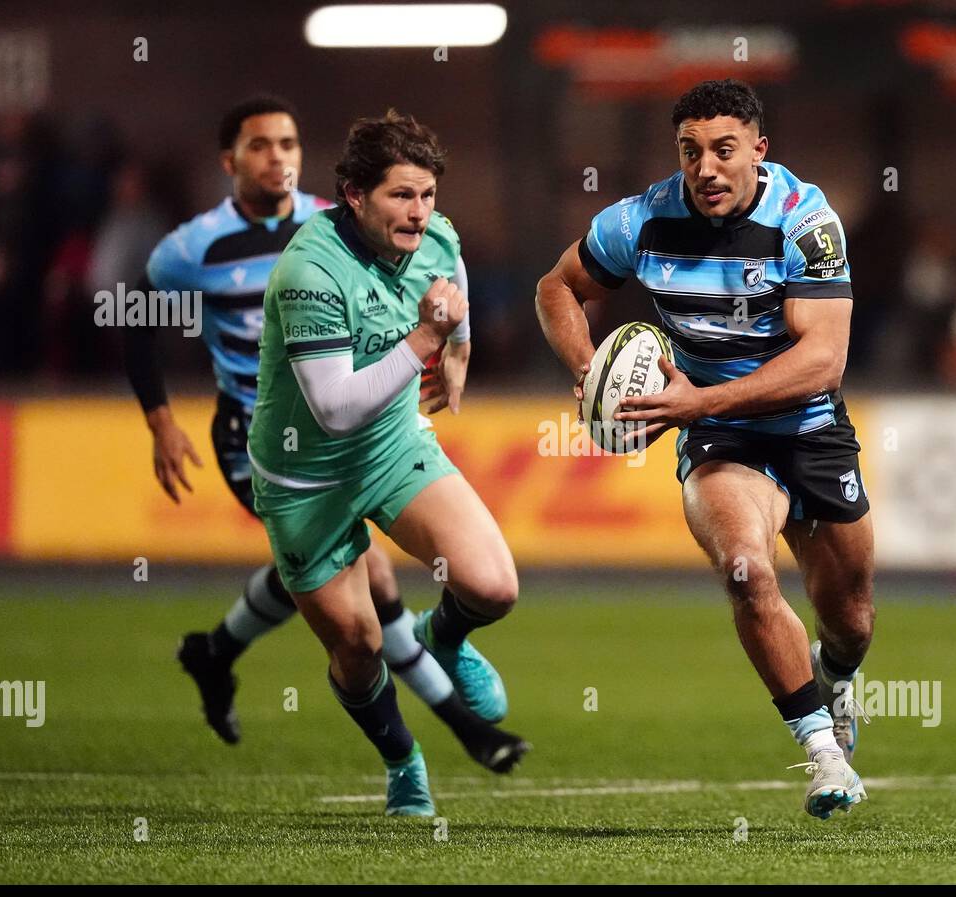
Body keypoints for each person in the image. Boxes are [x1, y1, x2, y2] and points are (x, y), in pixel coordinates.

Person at [123, 97, 505, 768]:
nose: (279, 157)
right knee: (369, 595)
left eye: (289, 143)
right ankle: (445, 738)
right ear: (229, 161)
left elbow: (445, 254)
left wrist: (459, 347)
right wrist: (160, 419)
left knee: (362, 587)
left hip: (376, 430)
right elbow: (135, 318)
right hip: (269, 439)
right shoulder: (197, 248)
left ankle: (217, 651)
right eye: (262, 145)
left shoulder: (355, 216)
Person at [535, 80, 874, 820]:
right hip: (720, 437)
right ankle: (823, 755)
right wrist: (587, 368)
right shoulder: (641, 220)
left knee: (851, 619)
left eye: (724, 150)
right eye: (691, 152)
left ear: (759, 149)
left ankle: (837, 675)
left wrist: (698, 400)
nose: (707, 169)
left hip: (809, 425)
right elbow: (556, 288)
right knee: (746, 571)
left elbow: (823, 362)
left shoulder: (806, 221)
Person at [248, 109, 529, 815]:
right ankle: (402, 759)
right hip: (306, 479)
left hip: (390, 449)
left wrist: (456, 347)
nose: (419, 213)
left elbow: (451, 275)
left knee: (493, 587)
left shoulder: (434, 237)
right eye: (402, 196)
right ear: (353, 195)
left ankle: (442, 640)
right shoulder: (310, 272)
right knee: (359, 644)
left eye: (428, 195)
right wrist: (428, 335)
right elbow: (336, 409)